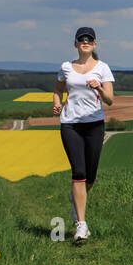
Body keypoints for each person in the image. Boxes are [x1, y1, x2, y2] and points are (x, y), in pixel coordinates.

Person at [51, 27, 114, 243]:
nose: (85, 42)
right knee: (78, 172)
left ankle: (76, 199)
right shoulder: (66, 67)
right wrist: (57, 103)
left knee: (91, 175)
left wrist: (98, 87)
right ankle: (81, 225)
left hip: (94, 124)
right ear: (76, 44)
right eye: (81, 39)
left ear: (94, 44)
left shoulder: (103, 68)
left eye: (89, 39)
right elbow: (58, 89)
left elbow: (110, 100)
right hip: (70, 124)